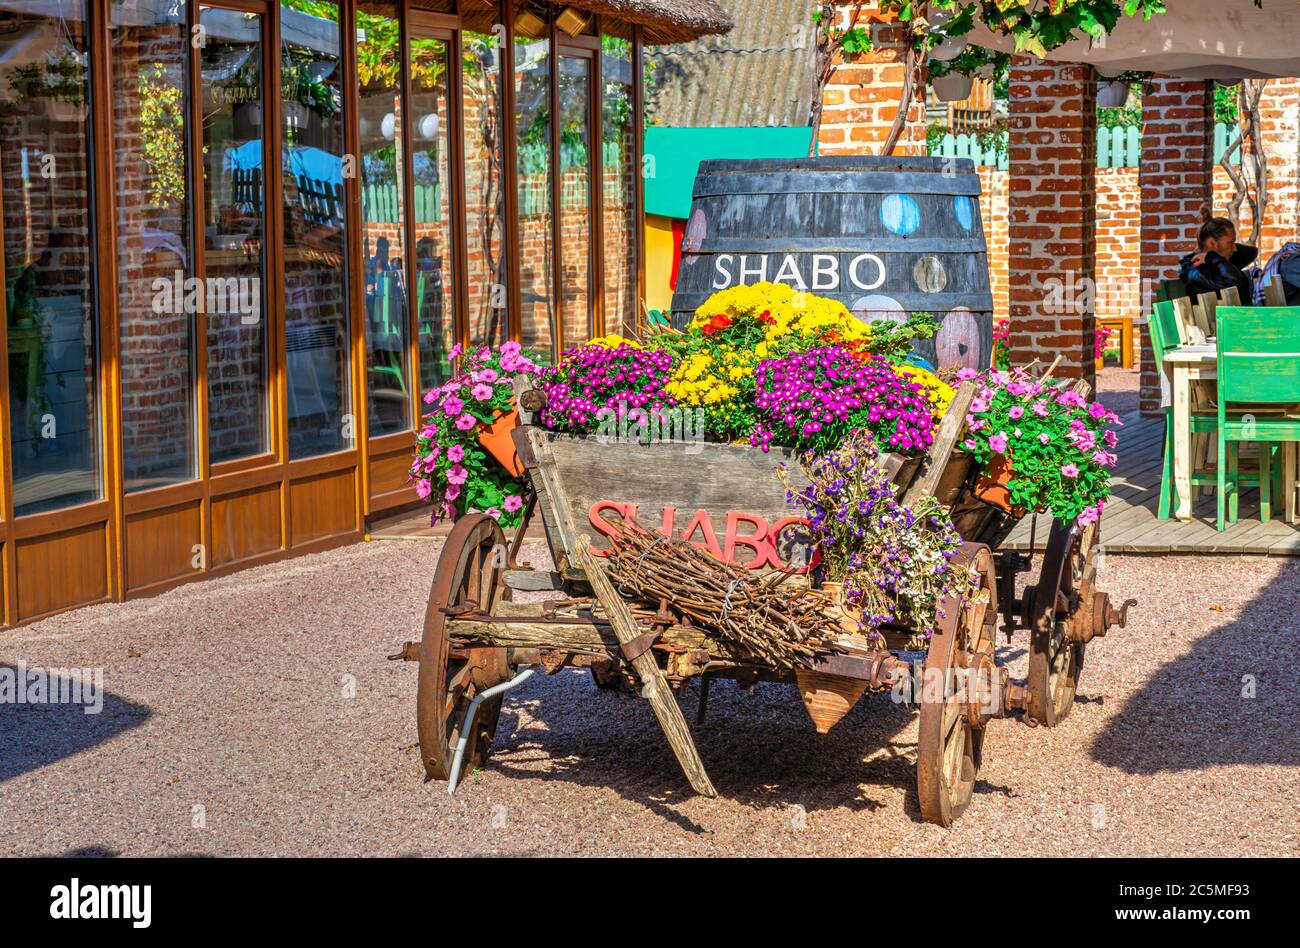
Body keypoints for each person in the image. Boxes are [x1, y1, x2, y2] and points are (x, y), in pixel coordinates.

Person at [1178, 215, 1258, 304]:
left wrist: (1212, 257)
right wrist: (1212, 257)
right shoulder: (1196, 271)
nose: (1235, 249)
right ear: (1212, 243)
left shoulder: (1223, 262)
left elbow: (1252, 252)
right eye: (1230, 243)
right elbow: (1236, 283)